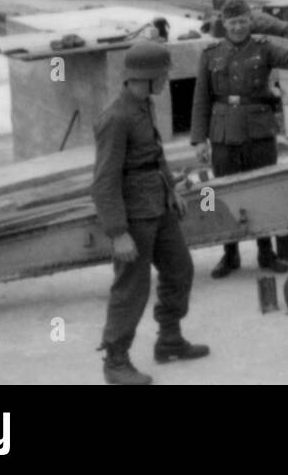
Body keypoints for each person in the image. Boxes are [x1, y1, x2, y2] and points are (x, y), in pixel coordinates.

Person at [190, 0, 288, 278]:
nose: (238, 27)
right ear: (224, 23)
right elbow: (200, 99)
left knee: (263, 193)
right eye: (232, 22)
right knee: (223, 194)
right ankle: (229, 254)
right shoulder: (210, 54)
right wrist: (198, 140)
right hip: (223, 134)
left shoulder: (263, 48)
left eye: (243, 21)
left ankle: (266, 253)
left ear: (249, 21)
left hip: (258, 132)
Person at [92, 41, 209, 385]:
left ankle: (169, 339)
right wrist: (117, 232)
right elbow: (104, 181)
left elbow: (155, 155)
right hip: (134, 217)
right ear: (148, 76)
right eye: (163, 74)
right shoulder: (115, 118)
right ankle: (115, 361)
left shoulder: (145, 105)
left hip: (158, 207)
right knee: (132, 288)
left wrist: (171, 192)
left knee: (180, 269)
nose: (166, 79)